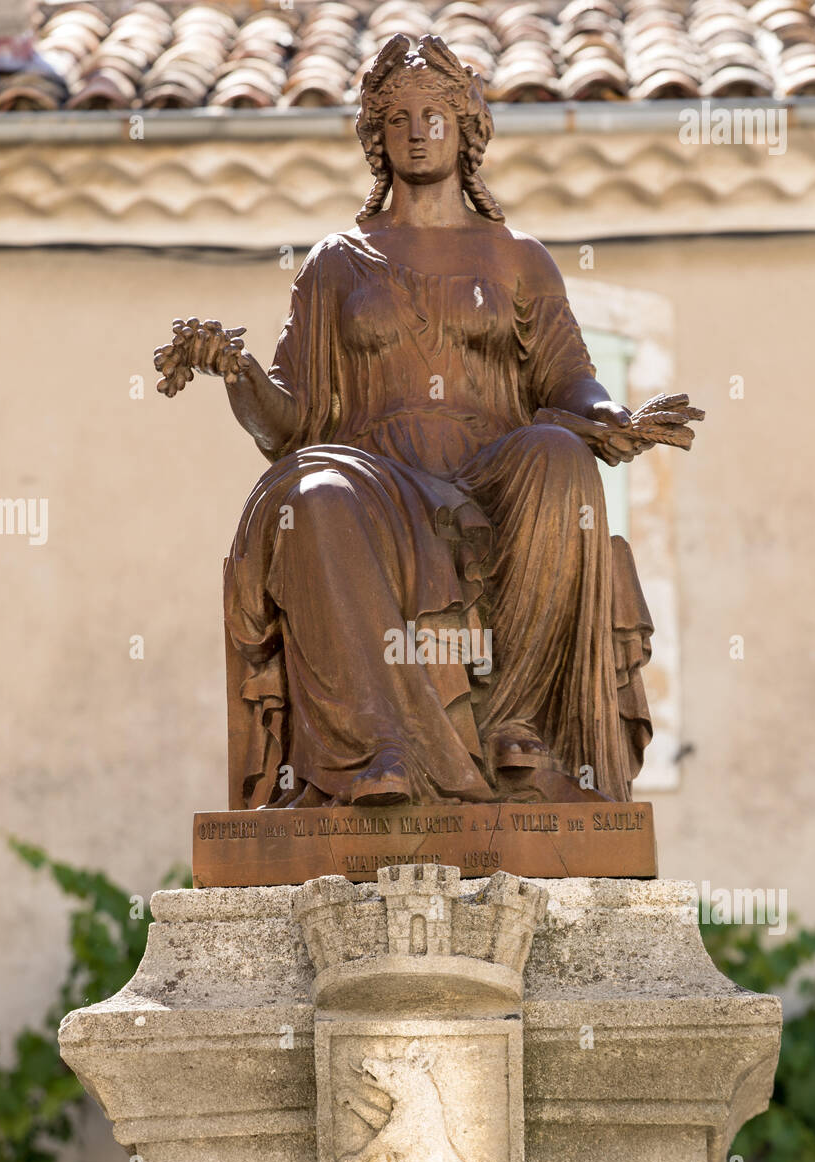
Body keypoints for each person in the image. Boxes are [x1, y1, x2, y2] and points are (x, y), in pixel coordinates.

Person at [162, 35, 654, 810]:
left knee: (561, 456)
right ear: (376, 139)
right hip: (372, 486)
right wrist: (237, 370)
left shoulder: (521, 258)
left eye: (435, 114)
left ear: (467, 129)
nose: (418, 130)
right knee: (308, 498)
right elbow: (284, 425)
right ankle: (377, 752)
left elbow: (568, 376)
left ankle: (517, 725)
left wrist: (609, 414)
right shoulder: (335, 263)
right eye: (397, 118)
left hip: (491, 476)